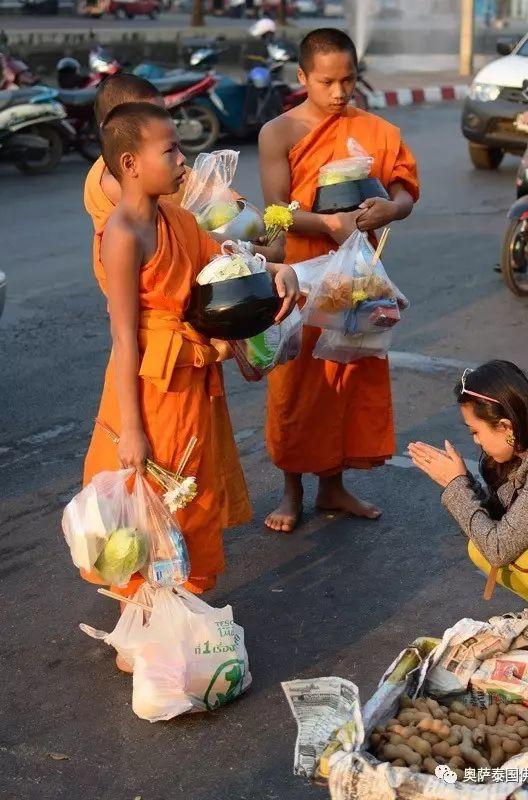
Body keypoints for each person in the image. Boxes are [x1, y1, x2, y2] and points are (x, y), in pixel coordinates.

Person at [82, 103, 300, 643]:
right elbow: (123, 338)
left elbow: (225, 261)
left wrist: (279, 269)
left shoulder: (176, 219)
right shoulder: (123, 233)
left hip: (192, 384)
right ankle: (149, 624)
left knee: (189, 496)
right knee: (146, 506)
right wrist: (131, 430)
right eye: (171, 150)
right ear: (131, 163)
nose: (184, 160)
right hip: (149, 388)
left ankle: (176, 607)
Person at [258, 28, 420, 532]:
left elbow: (404, 191)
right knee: (297, 385)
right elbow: (275, 215)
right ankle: (291, 490)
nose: (339, 93)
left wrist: (389, 209)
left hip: (358, 279)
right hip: (302, 279)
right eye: (327, 82)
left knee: (348, 378)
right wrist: (328, 224)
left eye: (348, 80)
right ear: (302, 76)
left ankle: (333, 486)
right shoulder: (279, 132)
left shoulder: (377, 129)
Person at [408, 361, 528, 612]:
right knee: (479, 546)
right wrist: (463, 481)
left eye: (476, 431)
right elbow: (496, 525)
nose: (475, 441)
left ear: (505, 426)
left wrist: (455, 485)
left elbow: (500, 548)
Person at [84, 73, 285, 264]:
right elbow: (188, 238)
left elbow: (214, 191)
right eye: (148, 117)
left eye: (162, 114)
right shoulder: (118, 191)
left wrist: (258, 225)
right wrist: (257, 252)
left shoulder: (163, 166)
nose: (162, 124)